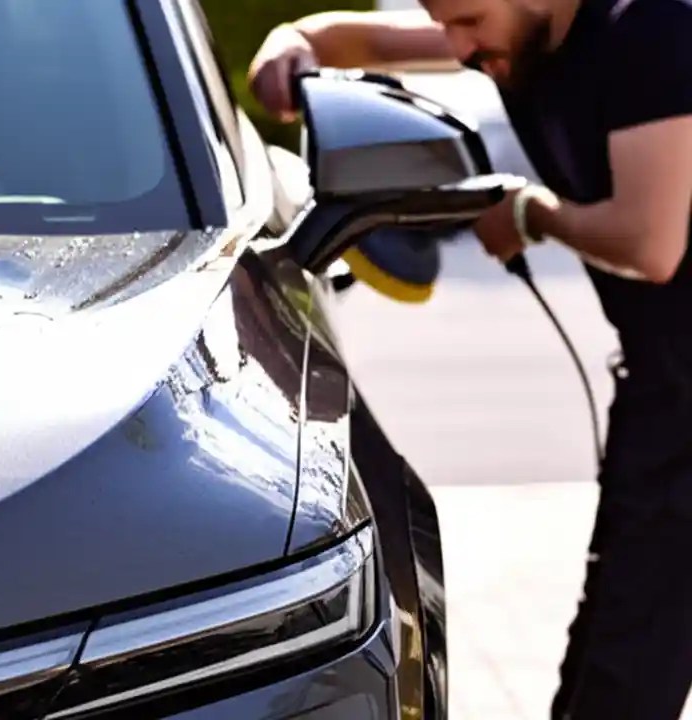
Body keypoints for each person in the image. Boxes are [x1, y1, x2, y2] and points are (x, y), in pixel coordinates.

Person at [247, 1, 692, 718]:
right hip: (659, 381)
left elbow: (651, 242)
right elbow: (359, 37)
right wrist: (291, 44)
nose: (459, 46)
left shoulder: (646, 26)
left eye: (469, 19)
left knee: (627, 665)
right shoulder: (522, 32)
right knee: (615, 639)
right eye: (445, 21)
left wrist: (526, 212)